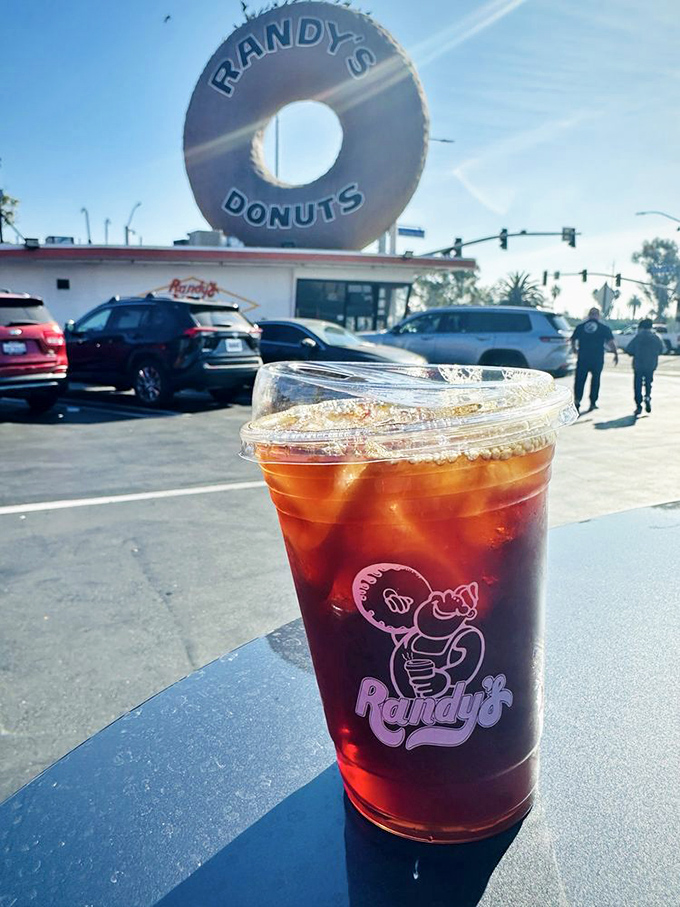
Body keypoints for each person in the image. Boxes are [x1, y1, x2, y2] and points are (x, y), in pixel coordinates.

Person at [570, 306, 618, 413]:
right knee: (596, 380)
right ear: (598, 316)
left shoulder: (581, 326)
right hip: (597, 358)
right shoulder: (603, 328)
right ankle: (593, 402)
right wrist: (615, 353)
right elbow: (611, 342)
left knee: (580, 380)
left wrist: (574, 349)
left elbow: (573, 339)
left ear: (589, 315)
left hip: (583, 358)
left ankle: (577, 401)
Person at [625, 318, 664, 416]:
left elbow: (629, 349)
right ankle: (647, 396)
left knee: (637, 385)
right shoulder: (656, 337)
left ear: (641, 327)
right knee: (648, 382)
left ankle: (638, 405)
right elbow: (661, 349)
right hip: (651, 365)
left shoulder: (638, 337)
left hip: (638, 365)